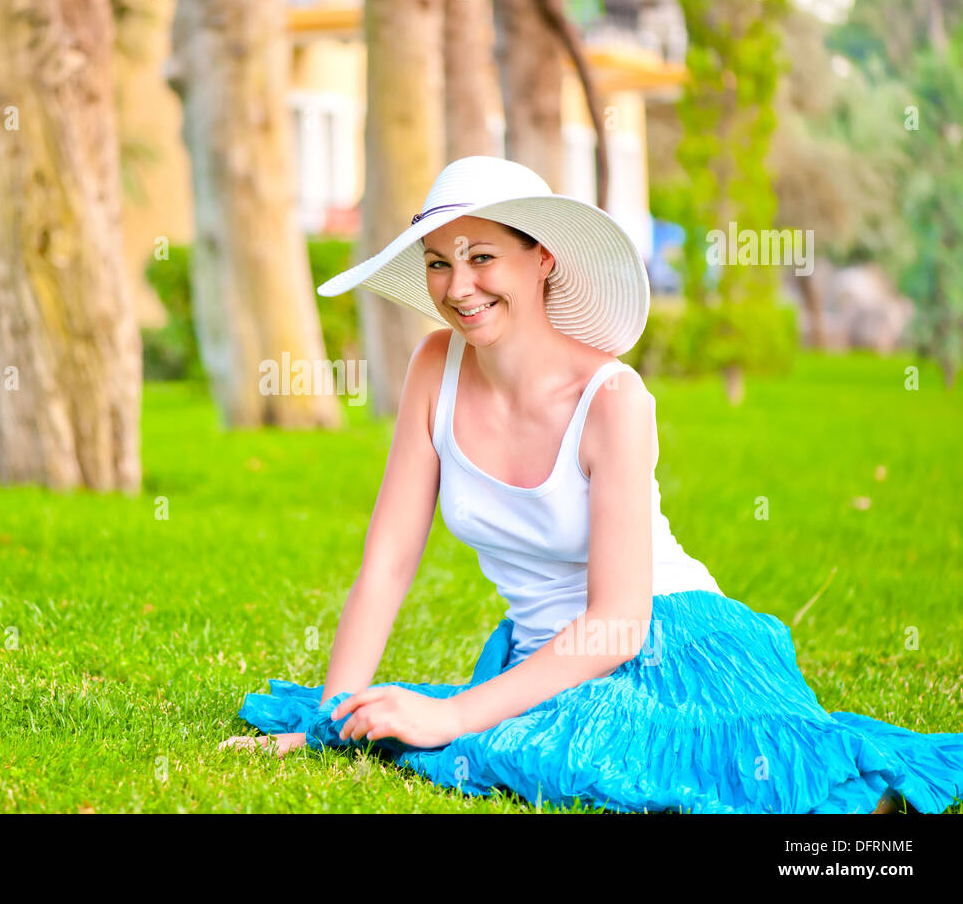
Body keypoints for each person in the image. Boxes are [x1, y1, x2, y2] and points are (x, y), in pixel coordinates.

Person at [220, 155, 963, 814]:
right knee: (398, 729)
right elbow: (386, 564)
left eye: (482, 256)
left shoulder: (613, 399)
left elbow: (619, 623)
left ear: (541, 259)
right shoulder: (432, 367)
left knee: (568, 759)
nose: (459, 285)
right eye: (438, 262)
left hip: (673, 645)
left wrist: (455, 715)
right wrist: (328, 721)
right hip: (543, 653)